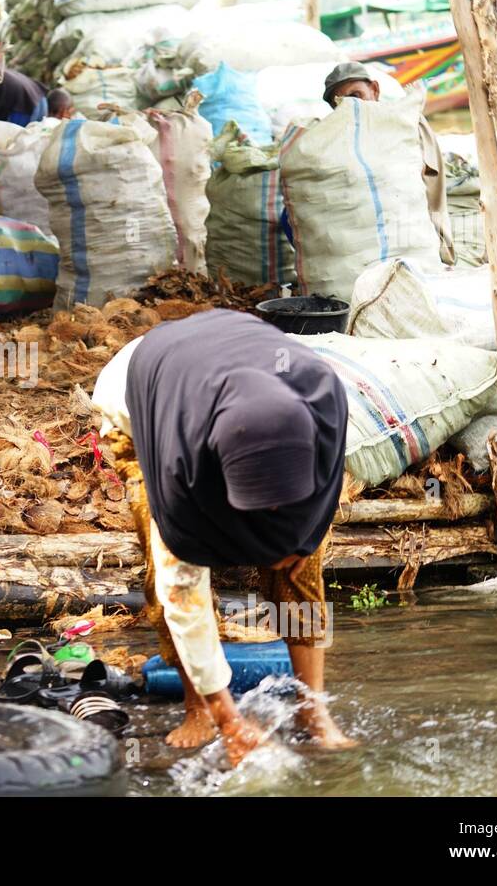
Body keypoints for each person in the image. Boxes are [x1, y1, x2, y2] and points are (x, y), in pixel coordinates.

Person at [107, 309, 354, 764]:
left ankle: (311, 711)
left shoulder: (321, 399)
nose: (275, 517)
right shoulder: (179, 475)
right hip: (144, 402)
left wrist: (300, 538)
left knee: (304, 560)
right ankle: (198, 706)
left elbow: (329, 478)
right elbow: (184, 595)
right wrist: (230, 720)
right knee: (168, 577)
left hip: (229, 363)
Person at [322, 61, 453, 259]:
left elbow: (416, 182)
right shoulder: (343, 138)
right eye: (339, 103)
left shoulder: (403, 123)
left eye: (355, 96)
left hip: (418, 236)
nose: (350, 106)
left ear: (374, 89)